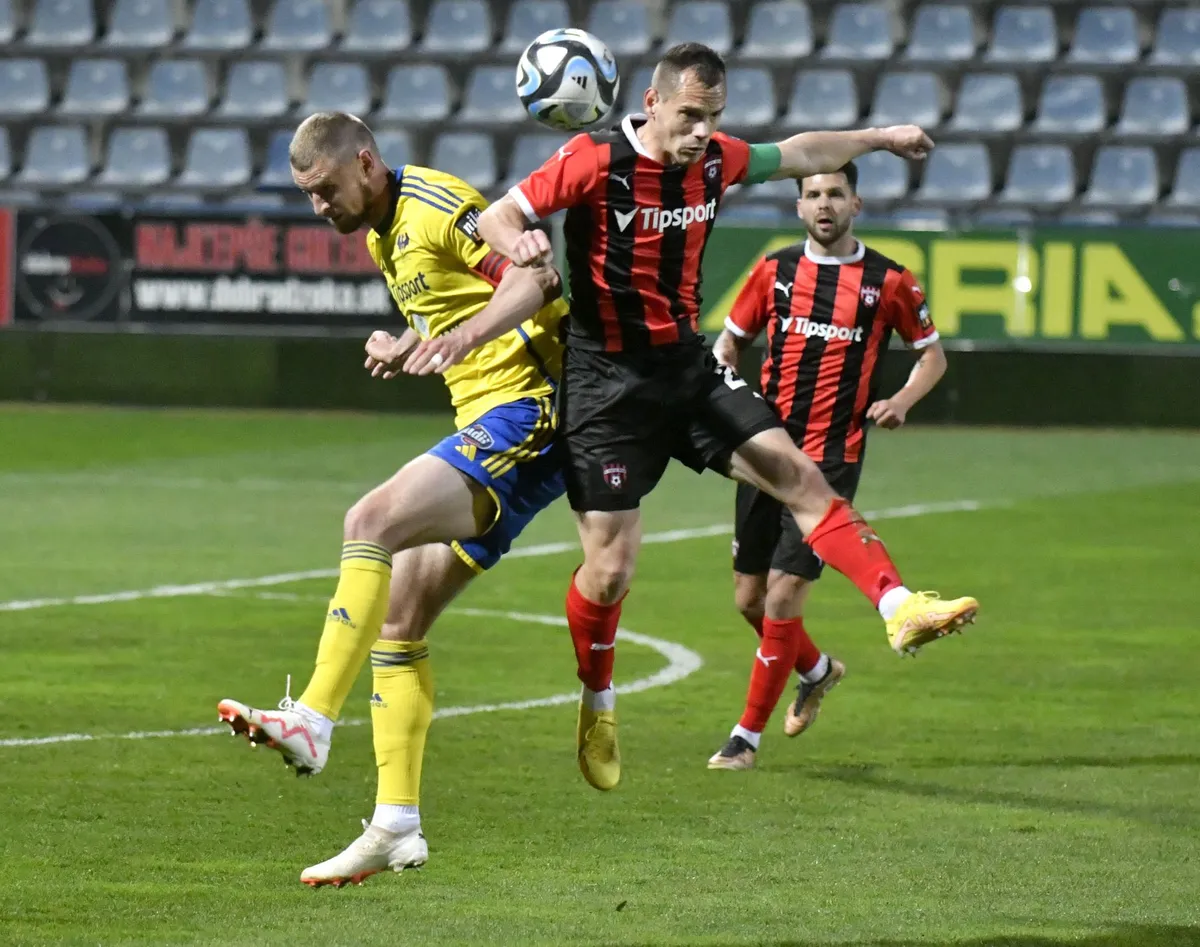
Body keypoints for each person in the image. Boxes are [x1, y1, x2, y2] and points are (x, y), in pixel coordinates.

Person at [475, 43, 979, 793]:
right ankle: (598, 698)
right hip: (605, 382)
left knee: (800, 478)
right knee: (609, 572)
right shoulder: (593, 158)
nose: (702, 131)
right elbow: (499, 213)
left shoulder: (716, 161)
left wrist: (880, 138)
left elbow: (803, 151)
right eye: (689, 115)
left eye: (713, 117)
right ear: (651, 103)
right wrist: (517, 238)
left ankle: (900, 605)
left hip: (685, 364)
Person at [216, 111, 569, 887]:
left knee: (369, 520)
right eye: (308, 196)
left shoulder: (437, 206)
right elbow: (452, 307)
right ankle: (395, 825)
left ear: (367, 163)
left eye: (326, 189)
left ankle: (311, 719)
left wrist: (463, 340)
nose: (320, 207)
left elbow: (534, 280)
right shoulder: (382, 234)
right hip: (492, 419)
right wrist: (408, 340)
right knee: (399, 621)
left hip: (533, 409)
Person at [706, 162, 950, 771]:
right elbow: (729, 342)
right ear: (798, 207)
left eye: (835, 193)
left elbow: (932, 356)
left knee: (784, 595)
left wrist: (901, 401)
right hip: (766, 451)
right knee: (749, 599)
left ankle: (744, 739)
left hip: (831, 457)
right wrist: (728, 389)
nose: (823, 203)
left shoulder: (888, 280)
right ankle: (816, 671)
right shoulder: (773, 270)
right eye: (812, 193)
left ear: (855, 204)